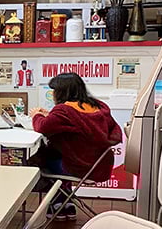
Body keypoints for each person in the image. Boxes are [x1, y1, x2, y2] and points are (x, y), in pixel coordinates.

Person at [30, 72, 121, 219]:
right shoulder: (98, 106)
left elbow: (42, 127)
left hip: (78, 167)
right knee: (62, 156)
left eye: (54, 90)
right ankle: (65, 204)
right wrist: (50, 116)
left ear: (61, 92)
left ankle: (58, 203)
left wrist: (36, 115)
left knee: (42, 161)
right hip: (99, 166)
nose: (52, 94)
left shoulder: (64, 110)